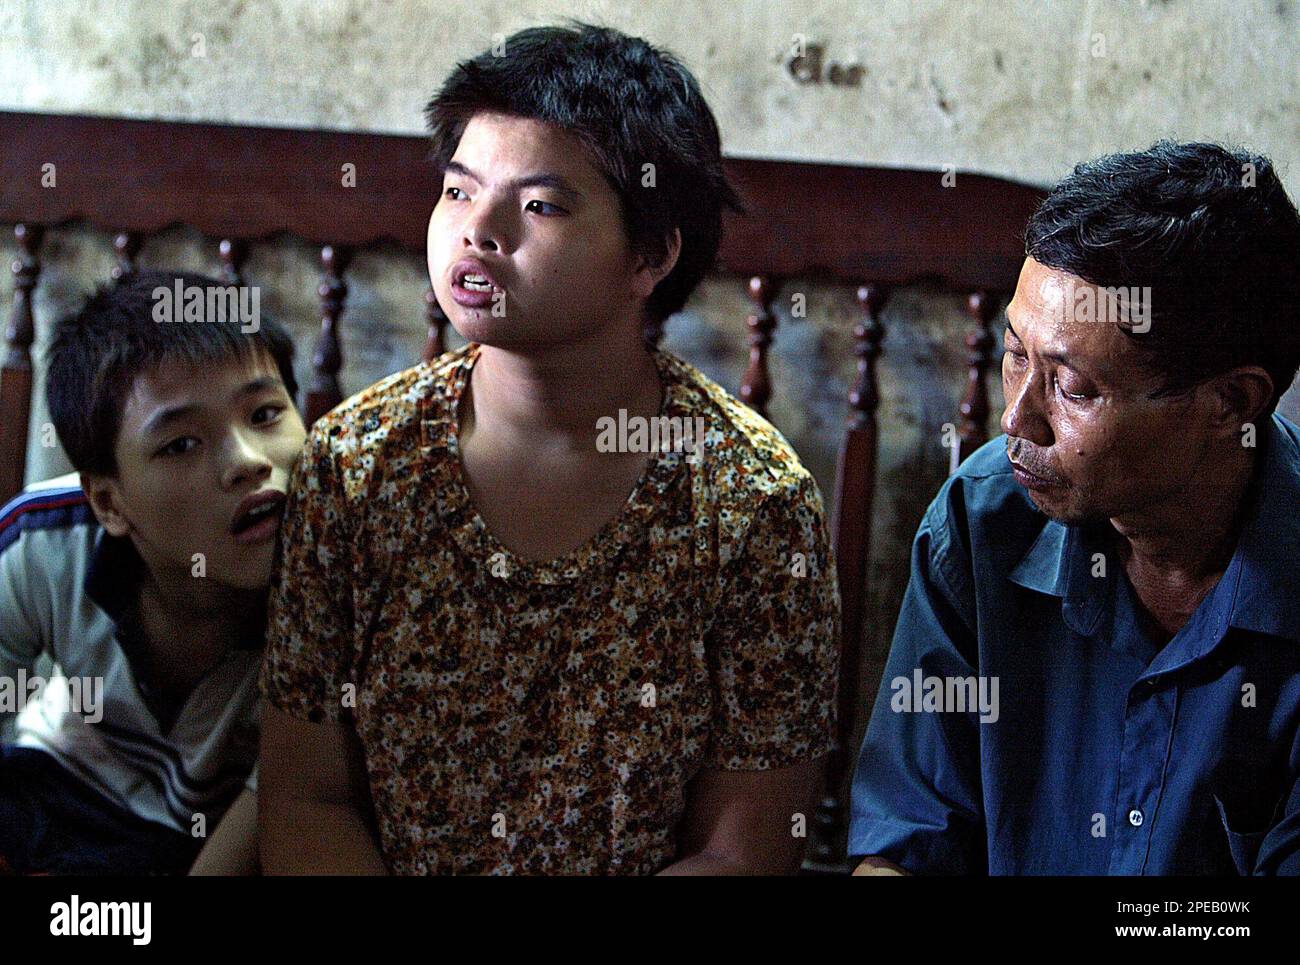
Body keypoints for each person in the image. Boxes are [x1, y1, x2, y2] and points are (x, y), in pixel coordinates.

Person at [258, 23, 840, 875]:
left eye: (540, 206)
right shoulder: (355, 463)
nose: (479, 230)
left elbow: (742, 852)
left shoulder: (751, 501)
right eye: (458, 191)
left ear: (651, 254)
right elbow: (305, 801)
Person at [850, 141, 1300, 875]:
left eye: (1074, 388)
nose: (1016, 422)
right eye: (1015, 354)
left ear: (1230, 402)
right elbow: (905, 845)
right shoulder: (983, 521)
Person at [0, 269, 306, 874]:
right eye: (180, 445)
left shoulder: (338, 581)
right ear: (109, 502)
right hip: (52, 782)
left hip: (204, 843)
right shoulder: (42, 542)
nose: (248, 462)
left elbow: (281, 796)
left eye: (266, 414)